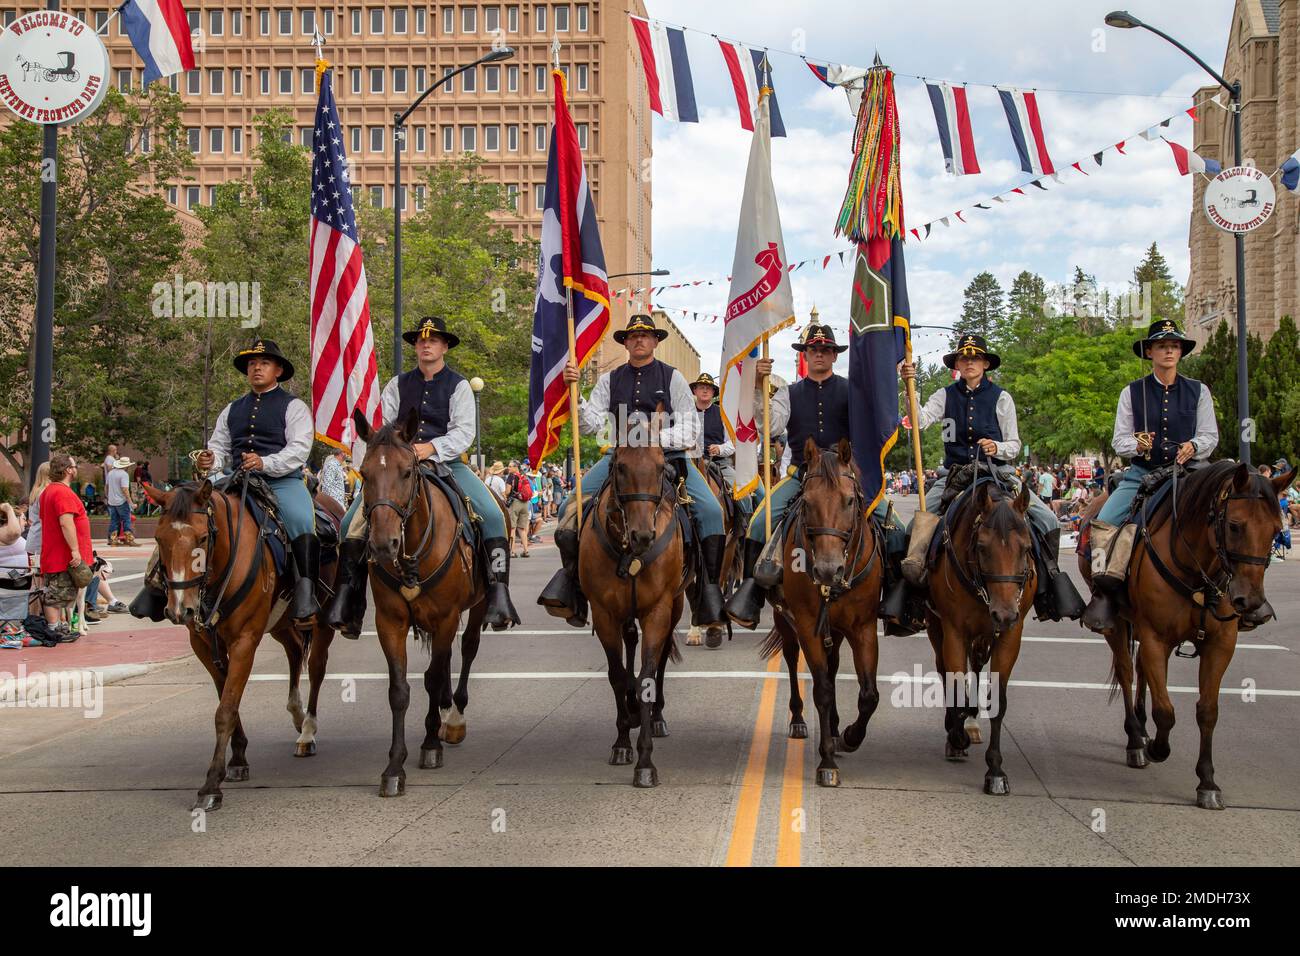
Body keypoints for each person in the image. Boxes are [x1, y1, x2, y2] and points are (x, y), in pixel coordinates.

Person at [328, 317, 519, 635]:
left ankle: (499, 595)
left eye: (433, 340)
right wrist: (395, 451)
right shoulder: (397, 385)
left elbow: (464, 433)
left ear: (445, 346)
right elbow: (383, 429)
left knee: (493, 516)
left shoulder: (458, 386)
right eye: (421, 340)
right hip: (397, 468)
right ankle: (350, 599)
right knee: (350, 524)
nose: (426, 344)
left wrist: (430, 448)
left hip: (447, 464)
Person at [541, 313, 726, 628]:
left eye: (646, 335)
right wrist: (576, 395)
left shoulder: (673, 378)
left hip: (669, 458)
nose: (639, 340)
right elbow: (591, 424)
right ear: (626, 342)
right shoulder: (609, 380)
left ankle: (708, 591)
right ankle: (573, 584)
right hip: (620, 459)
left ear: (655, 341)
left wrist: (650, 440)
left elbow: (690, 428)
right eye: (633, 336)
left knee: (710, 511)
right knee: (568, 508)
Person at [727, 323, 907, 628]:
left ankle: (896, 598)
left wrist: (898, 381)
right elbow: (770, 427)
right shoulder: (788, 392)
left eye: (826, 350)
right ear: (805, 355)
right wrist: (758, 386)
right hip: (803, 476)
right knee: (758, 523)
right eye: (814, 350)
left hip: (844, 478)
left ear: (835, 356)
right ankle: (752, 594)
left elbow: (875, 420)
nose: (820, 354)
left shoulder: (852, 391)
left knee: (896, 528)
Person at [900, 333, 1084, 622]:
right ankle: (911, 599)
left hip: (997, 472)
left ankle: (1048, 590)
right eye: (964, 357)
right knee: (915, 527)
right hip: (955, 474)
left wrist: (996, 447)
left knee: (1047, 519)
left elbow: (1013, 444)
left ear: (985, 363)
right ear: (957, 364)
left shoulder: (1002, 397)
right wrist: (908, 387)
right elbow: (919, 421)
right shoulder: (944, 395)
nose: (969, 362)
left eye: (975, 358)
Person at [1082, 319, 1218, 631]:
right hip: (1142, 474)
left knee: (1226, 517)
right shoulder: (1131, 393)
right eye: (1161, 346)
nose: (1168, 351)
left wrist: (1194, 445)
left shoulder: (1199, 391)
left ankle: (1228, 592)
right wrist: (1137, 444)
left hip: (1190, 474)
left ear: (1181, 352)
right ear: (1150, 352)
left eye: (1174, 346)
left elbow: (1210, 436)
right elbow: (1120, 440)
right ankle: (1104, 593)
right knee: (1106, 523)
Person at [175, 339, 320, 626]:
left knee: (302, 520)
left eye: (264, 363)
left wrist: (266, 462)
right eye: (252, 364)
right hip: (236, 481)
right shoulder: (232, 409)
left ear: (278, 370)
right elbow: (219, 447)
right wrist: (209, 460)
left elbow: (300, 448)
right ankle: (158, 586)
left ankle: (306, 591)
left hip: (281, 481)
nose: (256, 368)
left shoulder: (294, 407)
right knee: (186, 517)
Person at [39, 452, 92, 640]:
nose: (76, 469)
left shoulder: (49, 491)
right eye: (74, 466)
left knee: (61, 593)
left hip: (57, 553)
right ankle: (54, 631)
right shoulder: (62, 492)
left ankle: (58, 627)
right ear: (68, 470)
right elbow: (66, 522)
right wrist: (75, 550)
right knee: (57, 595)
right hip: (63, 556)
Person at [104, 456, 137, 546]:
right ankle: (129, 539)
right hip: (121, 501)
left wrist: (107, 497)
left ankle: (112, 540)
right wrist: (130, 502)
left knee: (114, 520)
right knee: (126, 520)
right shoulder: (124, 474)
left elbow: (106, 487)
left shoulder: (110, 473)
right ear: (126, 465)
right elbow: (125, 489)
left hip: (111, 501)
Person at [505, 460, 532, 558]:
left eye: (510, 466)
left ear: (516, 467)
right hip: (525, 503)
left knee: (512, 527)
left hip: (515, 503)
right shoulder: (523, 476)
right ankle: (526, 551)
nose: (508, 468)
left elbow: (508, 491)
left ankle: (512, 551)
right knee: (522, 528)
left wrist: (504, 494)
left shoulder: (511, 476)